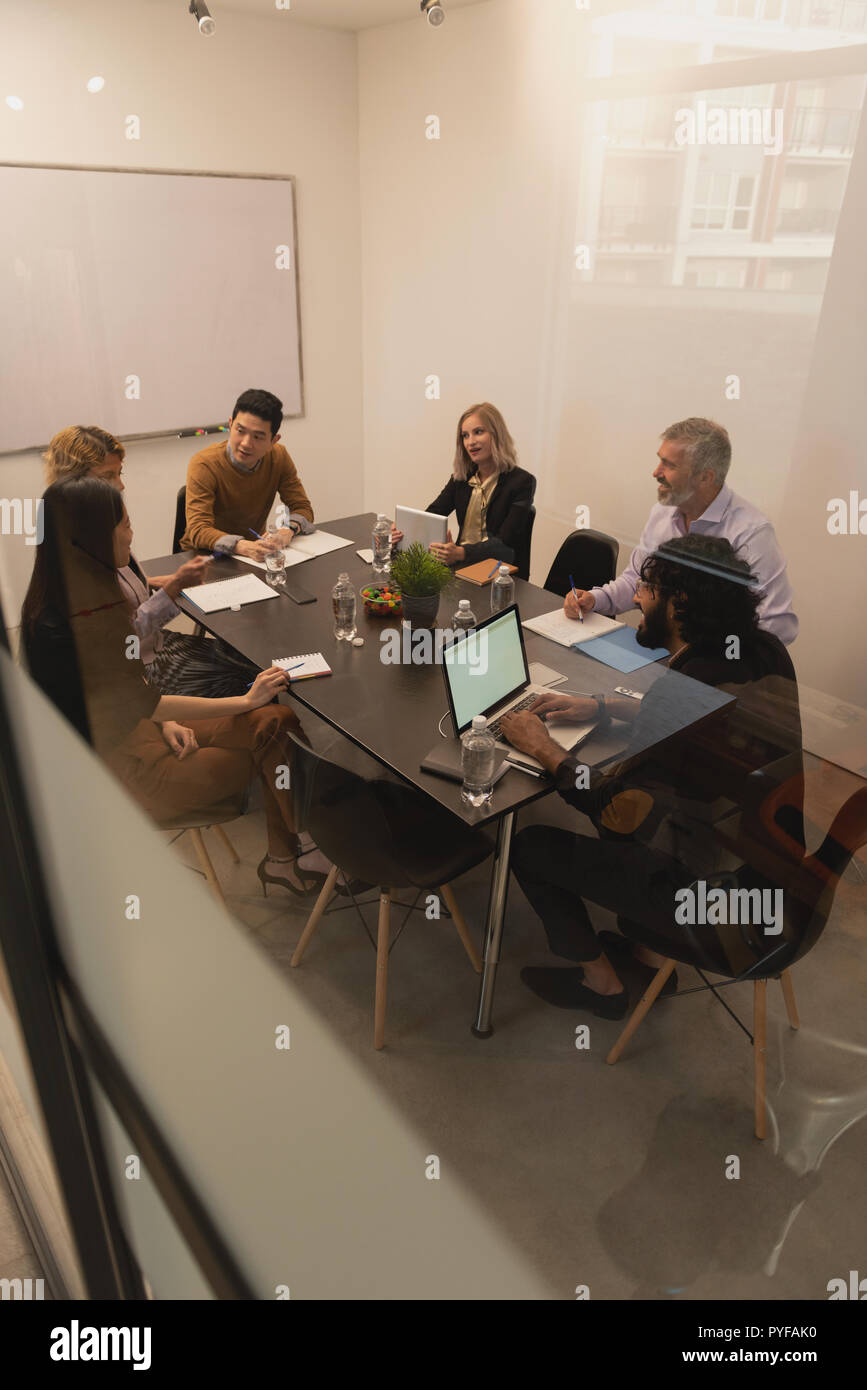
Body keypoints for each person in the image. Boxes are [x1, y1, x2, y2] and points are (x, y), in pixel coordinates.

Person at [500, 534, 804, 1020]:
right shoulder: (762, 651)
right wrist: (600, 706)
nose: (636, 597)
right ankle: (649, 952)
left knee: (532, 846)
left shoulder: (685, 687)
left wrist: (543, 748)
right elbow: (704, 722)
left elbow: (618, 815)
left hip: (704, 897)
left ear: (678, 601)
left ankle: (601, 985)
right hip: (770, 869)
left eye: (646, 587)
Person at [21, 478, 329, 896]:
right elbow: (136, 701)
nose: (132, 533)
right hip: (122, 773)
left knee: (275, 720)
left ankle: (289, 853)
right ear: (93, 536)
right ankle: (304, 848)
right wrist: (242, 699)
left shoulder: (88, 594)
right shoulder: (64, 626)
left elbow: (130, 693)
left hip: (144, 729)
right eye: (125, 524)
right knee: (271, 740)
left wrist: (164, 722)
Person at [42, 424, 260, 697]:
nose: (120, 485)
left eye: (119, 473)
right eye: (108, 475)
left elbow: (120, 590)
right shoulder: (80, 556)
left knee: (248, 663)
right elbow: (124, 639)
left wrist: (157, 582)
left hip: (151, 647)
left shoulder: (90, 527)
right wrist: (172, 590)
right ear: (76, 481)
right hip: (140, 668)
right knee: (248, 676)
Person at [563, 418, 798, 644]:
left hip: (714, 668)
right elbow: (636, 580)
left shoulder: (751, 533)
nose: (656, 472)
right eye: (660, 460)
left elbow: (776, 626)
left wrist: (711, 654)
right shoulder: (662, 512)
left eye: (670, 465)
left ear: (706, 477)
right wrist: (595, 600)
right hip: (662, 652)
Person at [390, 403, 536, 578]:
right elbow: (433, 514)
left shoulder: (522, 482)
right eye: (465, 436)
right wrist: (401, 532)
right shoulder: (462, 477)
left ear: (497, 434)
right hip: (462, 567)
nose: (471, 442)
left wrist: (460, 553)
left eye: (478, 432)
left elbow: (504, 543)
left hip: (501, 573)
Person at [179, 387, 314, 560]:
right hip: (205, 556)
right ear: (230, 424)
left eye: (258, 437)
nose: (246, 443)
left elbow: (302, 507)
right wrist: (241, 545)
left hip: (253, 553)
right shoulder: (204, 463)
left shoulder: (279, 457)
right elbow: (198, 529)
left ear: (273, 440)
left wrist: (288, 529)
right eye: (240, 431)